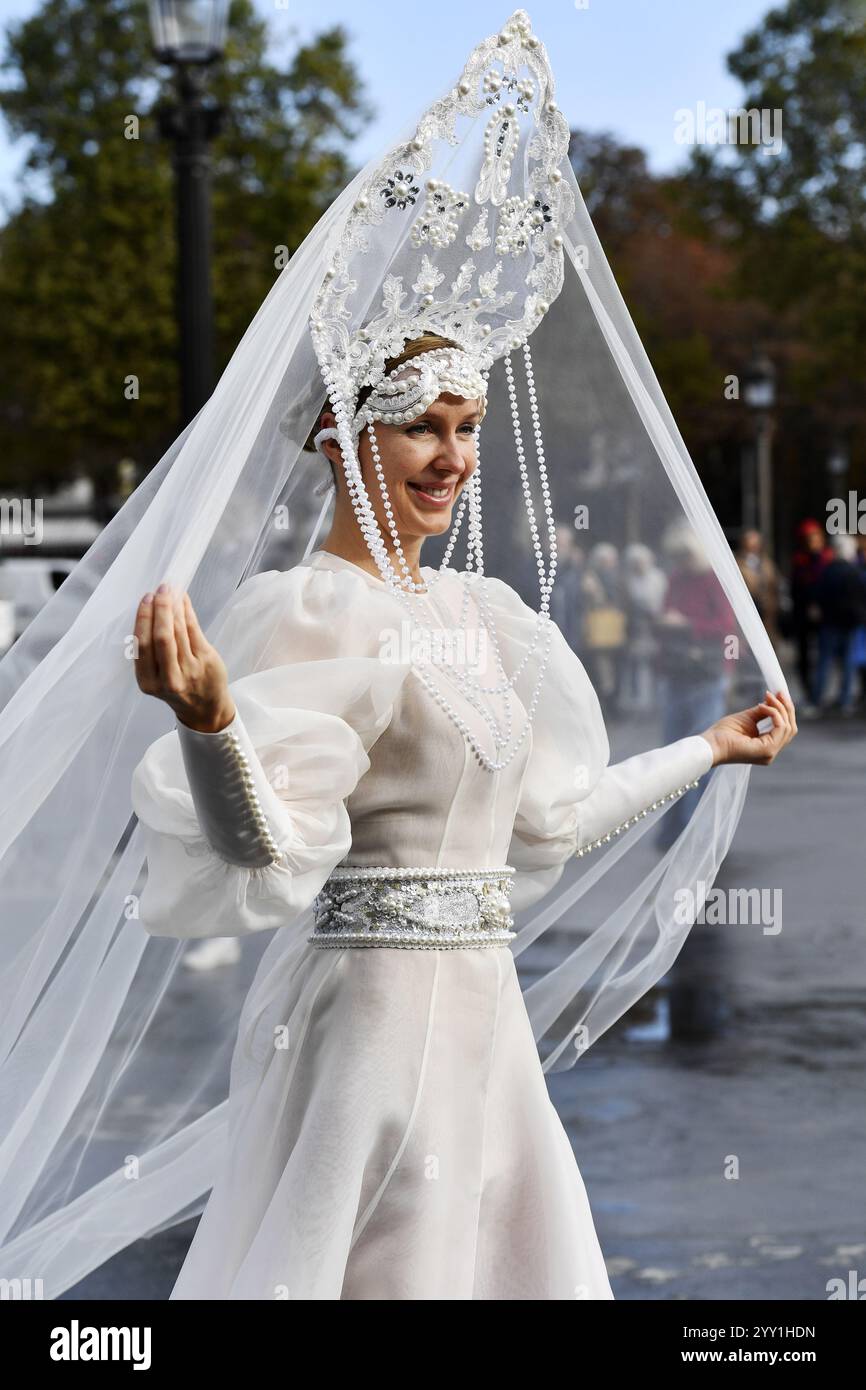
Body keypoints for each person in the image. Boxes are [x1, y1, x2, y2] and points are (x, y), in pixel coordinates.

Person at [0, 9, 796, 1301]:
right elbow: (269, 849)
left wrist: (705, 746)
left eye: (468, 423)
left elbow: (541, 818)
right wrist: (208, 724)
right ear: (336, 435)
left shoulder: (479, 617)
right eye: (418, 424)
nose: (451, 455)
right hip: (367, 1032)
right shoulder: (312, 611)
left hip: (483, 1032)